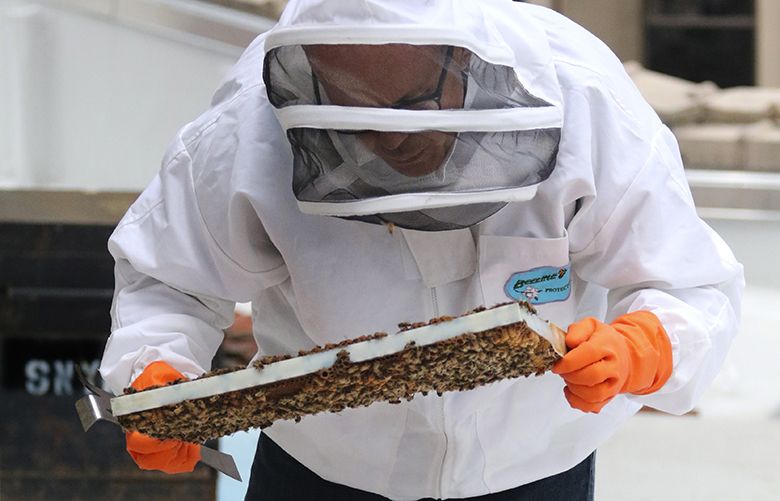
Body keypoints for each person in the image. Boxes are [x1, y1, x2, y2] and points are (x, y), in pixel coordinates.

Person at [99, 1, 744, 500]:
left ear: (469, 57)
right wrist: (155, 371)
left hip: (533, 467)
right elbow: (169, 280)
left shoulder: (588, 105)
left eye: (412, 101)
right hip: (321, 469)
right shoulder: (247, 127)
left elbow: (686, 281)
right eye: (350, 105)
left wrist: (652, 343)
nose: (387, 138)